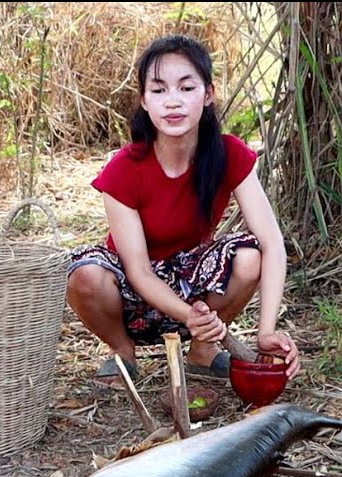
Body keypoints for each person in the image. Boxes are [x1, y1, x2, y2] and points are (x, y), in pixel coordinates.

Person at [67, 34, 300, 388]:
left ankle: (203, 353)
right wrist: (190, 315)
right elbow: (140, 272)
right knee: (84, 274)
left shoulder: (229, 155)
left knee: (250, 256)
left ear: (208, 94)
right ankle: (122, 352)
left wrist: (266, 331)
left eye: (186, 88)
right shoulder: (124, 169)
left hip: (193, 282)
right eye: (158, 90)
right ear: (144, 100)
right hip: (133, 291)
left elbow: (273, 244)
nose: (172, 101)